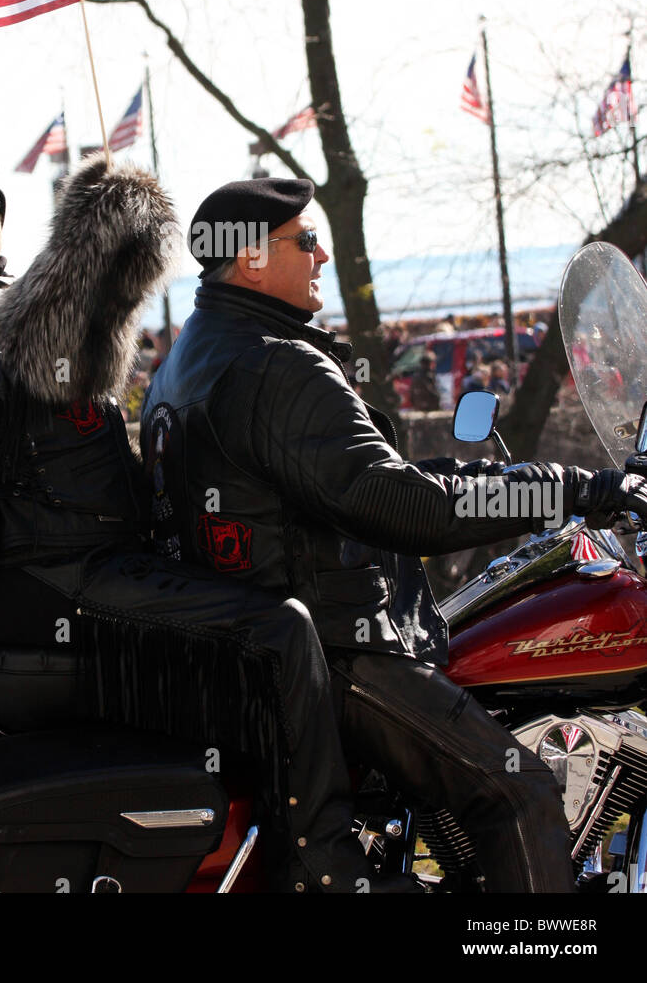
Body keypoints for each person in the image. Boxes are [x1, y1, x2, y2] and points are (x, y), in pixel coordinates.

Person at [0, 134, 384, 894]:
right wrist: (100, 238)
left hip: (42, 589)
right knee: (283, 631)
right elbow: (24, 363)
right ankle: (328, 869)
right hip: (59, 588)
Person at [140, 175, 647, 892]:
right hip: (337, 650)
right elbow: (403, 506)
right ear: (250, 258)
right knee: (519, 792)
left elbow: (364, 479)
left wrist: (534, 480)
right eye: (306, 241)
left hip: (265, 654)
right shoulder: (278, 362)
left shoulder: (190, 357)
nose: (320, 258)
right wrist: (578, 488)